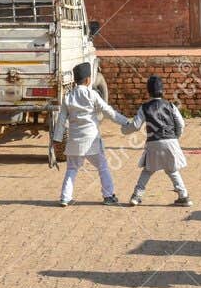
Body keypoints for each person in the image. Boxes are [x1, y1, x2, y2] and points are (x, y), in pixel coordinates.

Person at [52, 62, 132, 207]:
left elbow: (61, 121)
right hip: (92, 141)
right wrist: (126, 122)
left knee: (71, 169)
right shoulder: (92, 94)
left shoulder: (68, 97)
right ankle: (108, 196)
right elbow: (108, 111)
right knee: (102, 167)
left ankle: (65, 198)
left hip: (74, 141)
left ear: (76, 80)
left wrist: (56, 139)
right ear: (88, 80)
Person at [127, 74, 191, 208]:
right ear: (162, 90)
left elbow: (136, 125)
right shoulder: (170, 105)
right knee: (172, 170)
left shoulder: (144, 107)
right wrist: (175, 137)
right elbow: (181, 123)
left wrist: (124, 128)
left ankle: (136, 196)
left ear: (148, 90)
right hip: (171, 140)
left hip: (153, 142)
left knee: (147, 170)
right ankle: (183, 196)